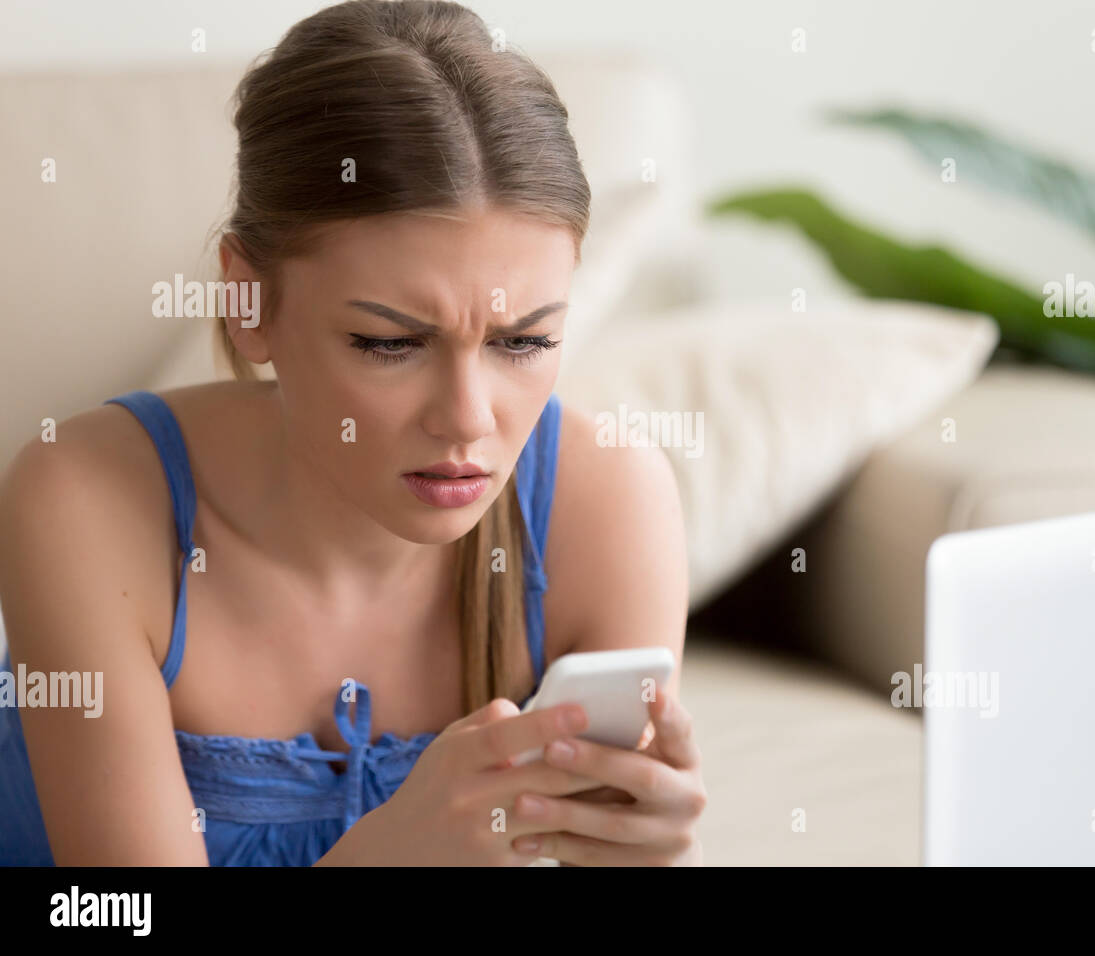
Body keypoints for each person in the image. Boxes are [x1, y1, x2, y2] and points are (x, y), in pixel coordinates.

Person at [0, 0, 703, 866]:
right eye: (390, 343)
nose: (468, 418)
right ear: (248, 301)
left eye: (524, 341)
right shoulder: (84, 498)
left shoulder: (610, 502)